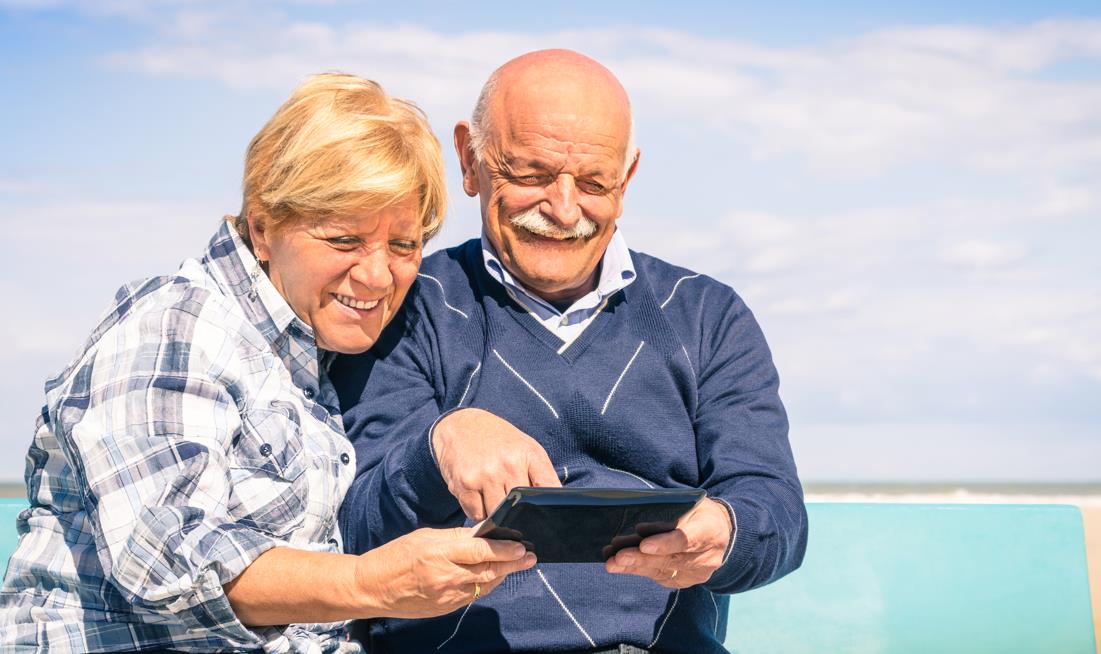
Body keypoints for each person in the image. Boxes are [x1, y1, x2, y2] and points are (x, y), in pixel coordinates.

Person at [0, 73, 534, 653]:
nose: (378, 275)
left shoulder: (312, 350)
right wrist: (373, 582)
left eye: (404, 245)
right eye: (344, 239)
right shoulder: (179, 326)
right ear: (262, 226)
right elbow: (165, 560)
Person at [331, 50, 808, 653]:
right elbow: (350, 534)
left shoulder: (708, 315)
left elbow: (779, 516)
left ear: (627, 178)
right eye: (530, 174)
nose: (562, 209)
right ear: (469, 160)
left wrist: (727, 532)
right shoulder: (401, 305)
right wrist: (439, 446)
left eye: (593, 182)